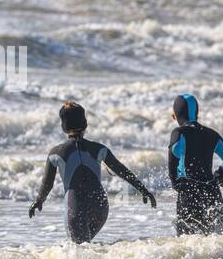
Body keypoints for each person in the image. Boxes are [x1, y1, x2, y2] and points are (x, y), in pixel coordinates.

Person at [28, 101, 156, 243]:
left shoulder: (56, 153)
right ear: (86, 124)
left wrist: (38, 201)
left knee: (79, 252)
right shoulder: (99, 149)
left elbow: (47, 184)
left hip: (75, 207)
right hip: (100, 207)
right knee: (87, 249)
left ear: (63, 127)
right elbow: (121, 170)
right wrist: (142, 189)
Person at [167, 94, 223, 234]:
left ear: (176, 114)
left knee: (188, 243)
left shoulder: (179, 133)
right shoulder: (211, 134)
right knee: (218, 239)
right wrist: (219, 174)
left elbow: (174, 153)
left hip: (189, 192)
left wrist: (175, 181)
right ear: (196, 113)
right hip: (212, 192)